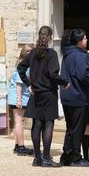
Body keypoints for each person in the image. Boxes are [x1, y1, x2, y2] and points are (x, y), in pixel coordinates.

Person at [59, 28, 89, 167]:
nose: (87, 40)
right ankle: (75, 157)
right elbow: (83, 76)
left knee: (70, 127)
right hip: (78, 95)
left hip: (67, 95)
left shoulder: (68, 53)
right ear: (79, 41)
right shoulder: (80, 56)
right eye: (85, 38)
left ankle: (67, 155)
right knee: (77, 129)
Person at [26, 27, 61, 167]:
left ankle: (37, 158)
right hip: (48, 93)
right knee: (48, 124)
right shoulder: (51, 54)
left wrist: (29, 84)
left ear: (39, 36)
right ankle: (46, 157)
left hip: (36, 93)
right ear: (50, 37)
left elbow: (20, 68)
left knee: (37, 124)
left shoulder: (33, 53)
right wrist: (64, 83)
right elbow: (53, 75)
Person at [9, 44, 34, 156]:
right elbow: (19, 85)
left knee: (17, 122)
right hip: (19, 98)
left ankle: (17, 145)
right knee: (20, 122)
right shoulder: (23, 66)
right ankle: (21, 146)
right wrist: (19, 100)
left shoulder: (21, 65)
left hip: (19, 97)